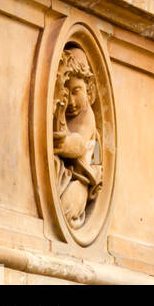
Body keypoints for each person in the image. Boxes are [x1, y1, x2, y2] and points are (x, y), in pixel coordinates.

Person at [53, 47, 102, 230]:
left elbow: (79, 145)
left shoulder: (87, 116)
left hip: (80, 179)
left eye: (76, 91)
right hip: (66, 173)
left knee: (66, 210)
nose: (71, 102)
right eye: (67, 93)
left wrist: (59, 144)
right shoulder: (63, 113)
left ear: (89, 90)